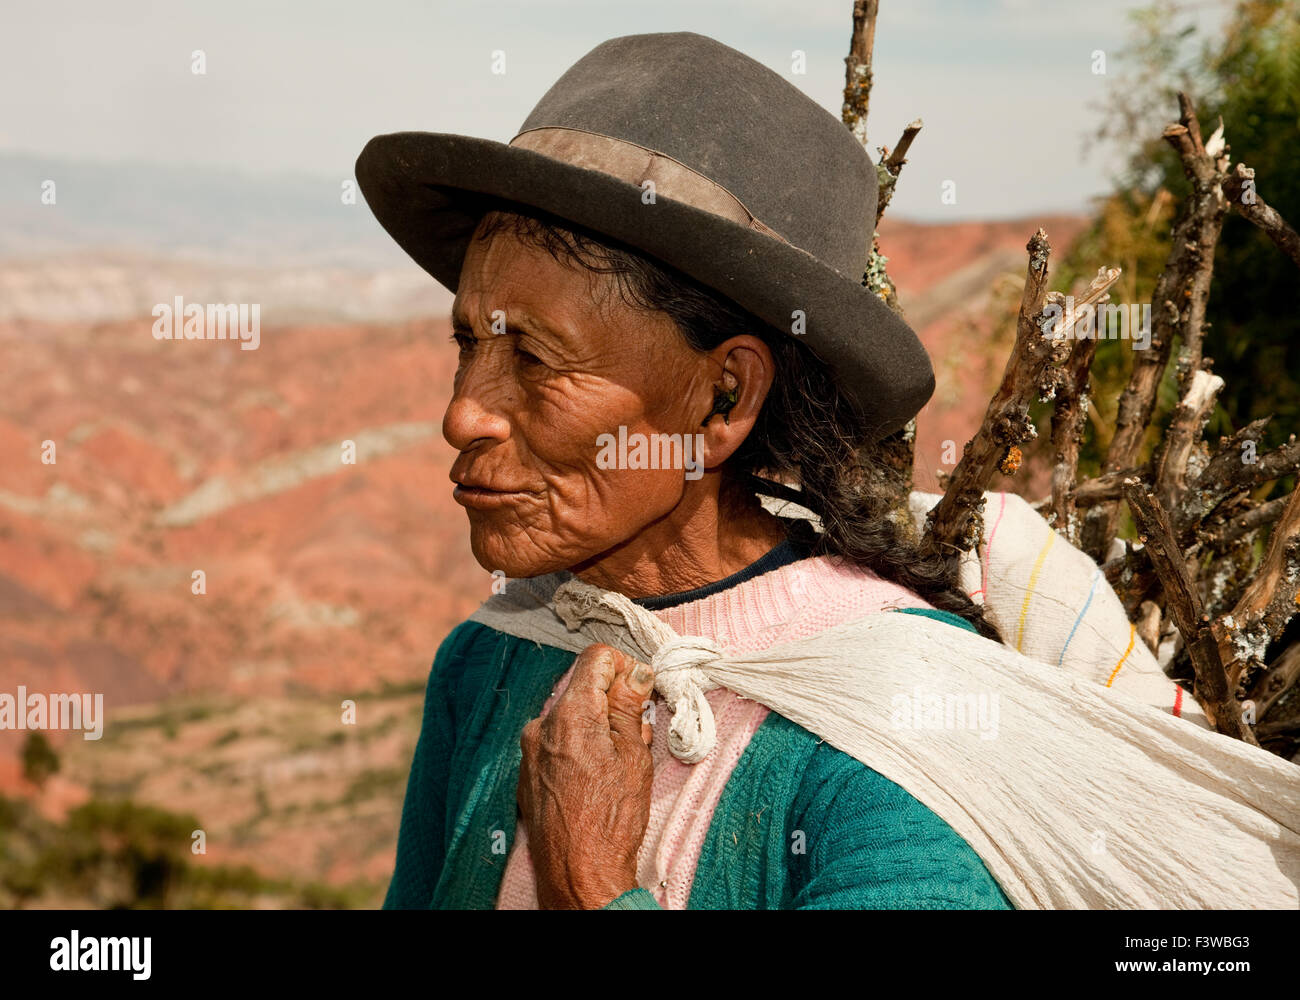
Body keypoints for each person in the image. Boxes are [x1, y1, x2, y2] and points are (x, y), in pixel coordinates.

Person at [357, 30, 1013, 909]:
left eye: (537, 360)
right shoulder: (488, 664)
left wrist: (590, 885)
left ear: (720, 401)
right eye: (469, 343)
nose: (462, 414)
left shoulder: (905, 723)